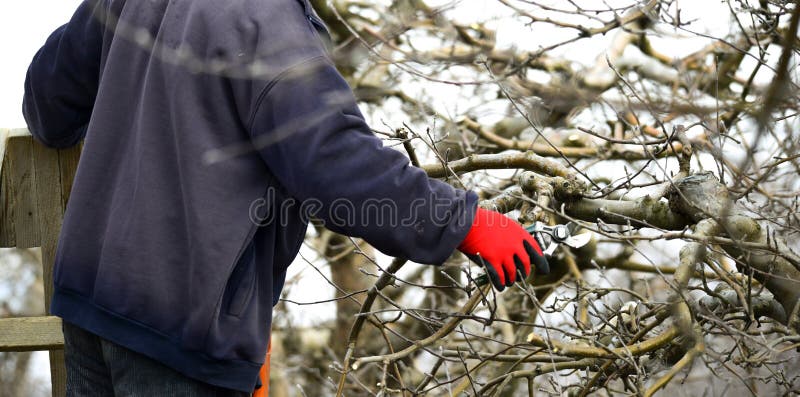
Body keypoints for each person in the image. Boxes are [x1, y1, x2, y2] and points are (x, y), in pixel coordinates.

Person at [22, 0, 549, 395]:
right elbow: (334, 163)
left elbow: (48, 106)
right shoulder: (264, 18)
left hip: (91, 303)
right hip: (179, 337)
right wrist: (462, 223)